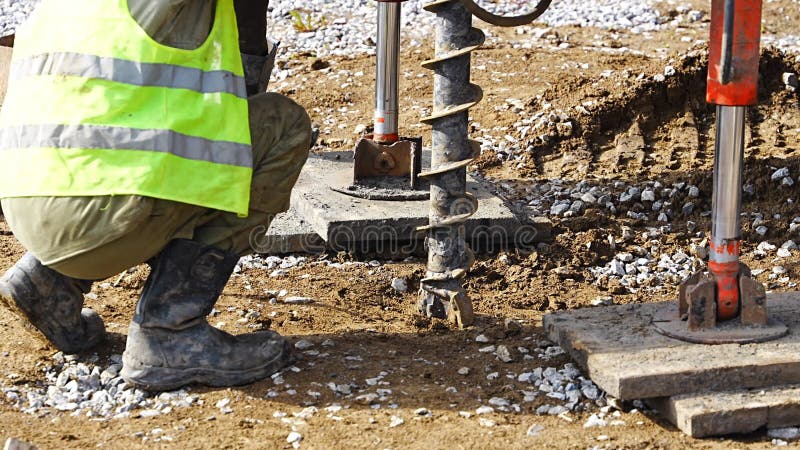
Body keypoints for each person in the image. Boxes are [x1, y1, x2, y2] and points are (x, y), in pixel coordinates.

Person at [0, 0, 311, 391]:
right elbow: (243, 84)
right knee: (283, 125)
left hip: (26, 197)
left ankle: (49, 283)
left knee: (136, 122)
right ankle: (170, 330)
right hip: (102, 211)